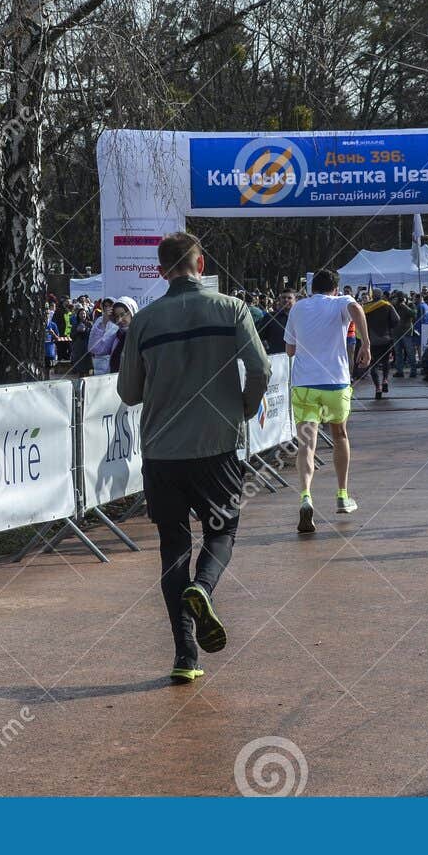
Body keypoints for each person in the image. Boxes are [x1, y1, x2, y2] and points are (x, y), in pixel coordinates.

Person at [117, 231, 268, 686]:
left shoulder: (144, 320)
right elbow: (260, 369)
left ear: (161, 270)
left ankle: (185, 655)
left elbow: (128, 393)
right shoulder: (231, 308)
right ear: (201, 266)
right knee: (222, 533)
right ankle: (203, 587)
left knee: (172, 548)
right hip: (217, 443)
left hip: (162, 451)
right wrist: (242, 406)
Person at [285, 267, 370, 533]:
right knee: (340, 435)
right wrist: (366, 344)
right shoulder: (341, 302)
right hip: (335, 381)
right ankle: (343, 494)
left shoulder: (297, 308)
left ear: (312, 288)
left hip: (304, 384)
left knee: (306, 443)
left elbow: (289, 348)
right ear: (335, 288)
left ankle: (306, 497)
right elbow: (356, 309)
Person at [362, 290, 402, 400]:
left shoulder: (366, 307)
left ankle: (378, 388)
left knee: (373, 365)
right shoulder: (387, 306)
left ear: (371, 296)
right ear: (381, 296)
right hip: (386, 338)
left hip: (371, 340)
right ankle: (385, 379)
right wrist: (389, 326)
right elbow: (397, 320)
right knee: (385, 361)